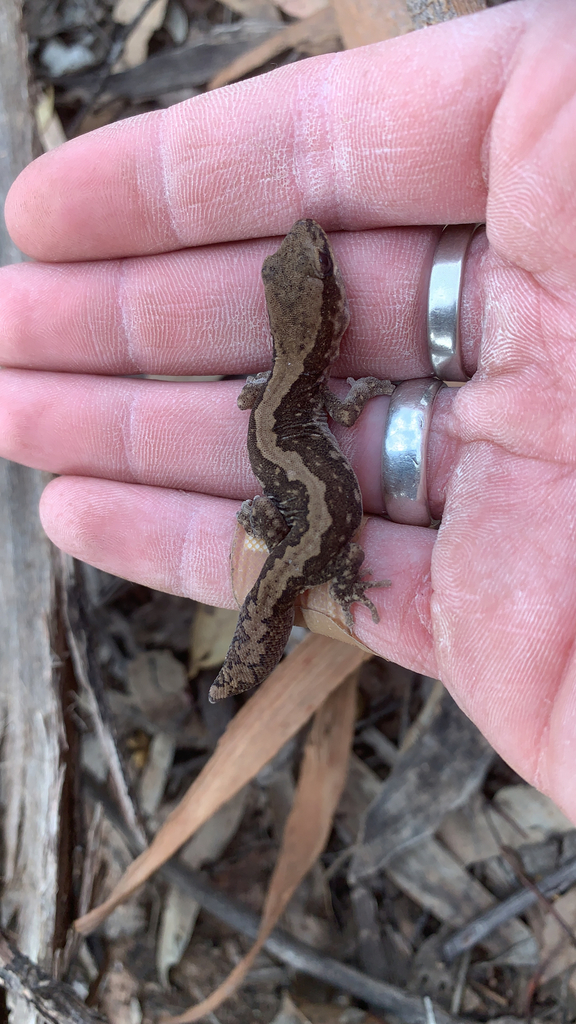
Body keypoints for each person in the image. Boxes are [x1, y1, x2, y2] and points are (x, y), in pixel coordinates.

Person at [1, 0, 575, 821]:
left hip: (298, 516)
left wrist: (350, 411)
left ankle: (245, 663)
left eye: (312, 270)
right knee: (300, 573)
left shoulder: (291, 386)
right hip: (308, 530)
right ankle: (242, 667)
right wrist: (367, 400)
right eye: (306, 272)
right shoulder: (310, 388)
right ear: (330, 321)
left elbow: (312, 408)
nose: (309, 247)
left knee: (294, 568)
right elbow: (340, 409)